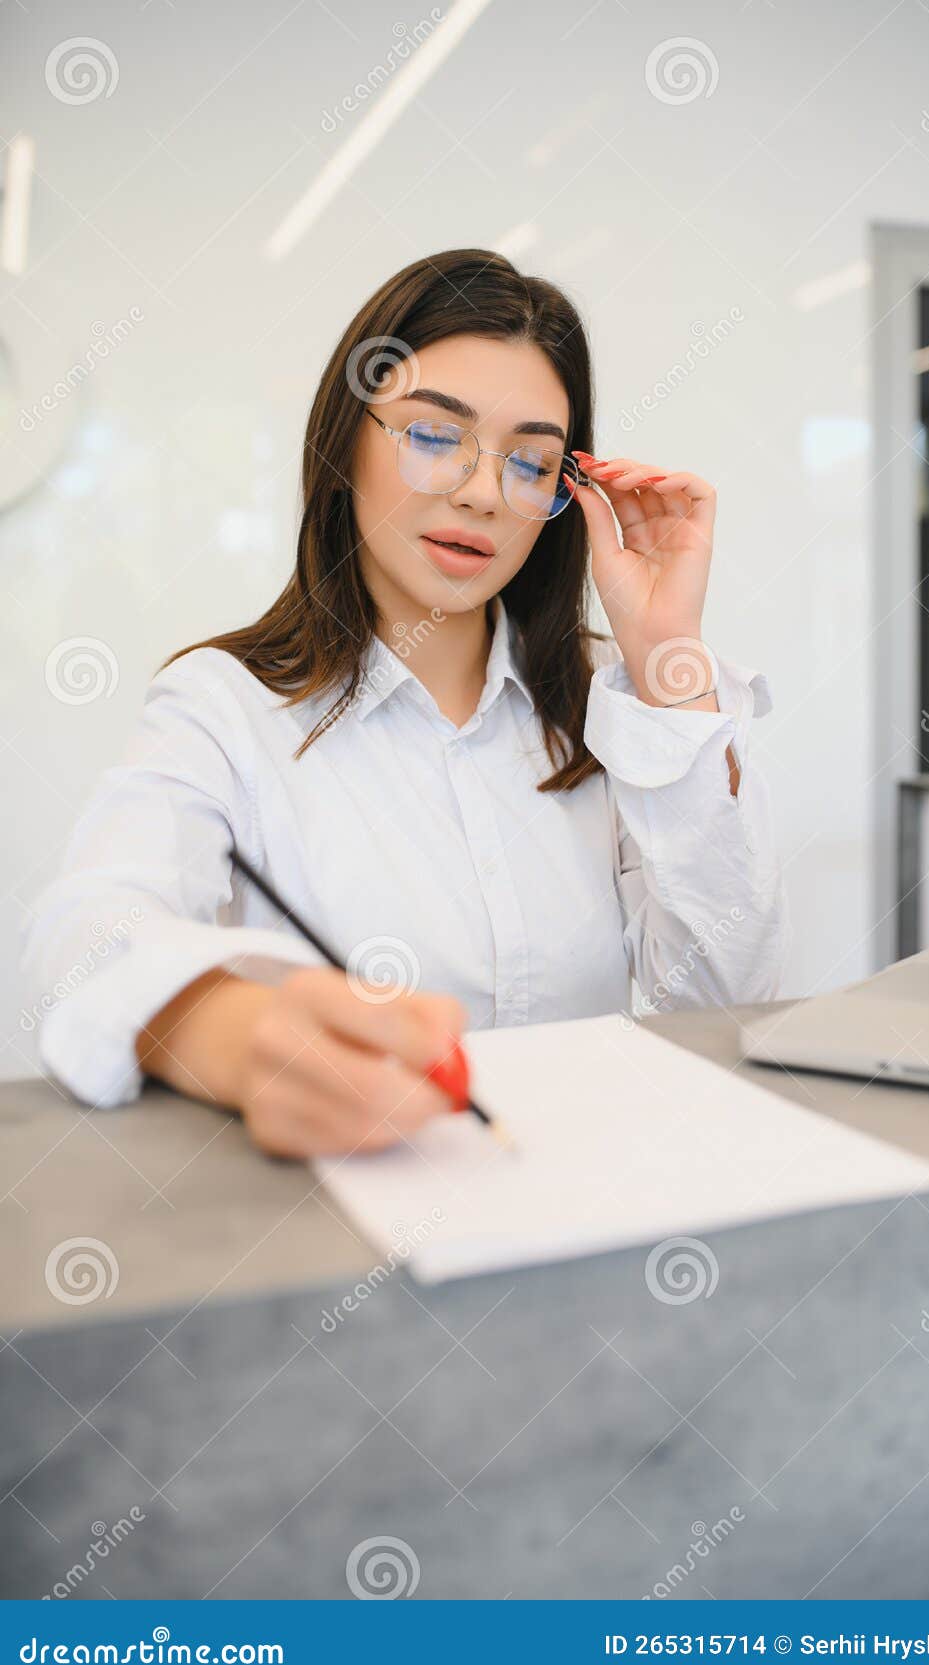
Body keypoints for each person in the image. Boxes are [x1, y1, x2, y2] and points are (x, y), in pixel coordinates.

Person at [21, 248, 789, 1160]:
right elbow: (86, 932)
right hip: (352, 1234)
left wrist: (668, 658)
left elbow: (724, 1004)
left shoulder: (610, 710)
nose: (478, 492)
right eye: (432, 436)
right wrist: (236, 1039)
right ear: (345, 442)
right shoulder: (225, 709)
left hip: (592, 1204)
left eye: (530, 462)